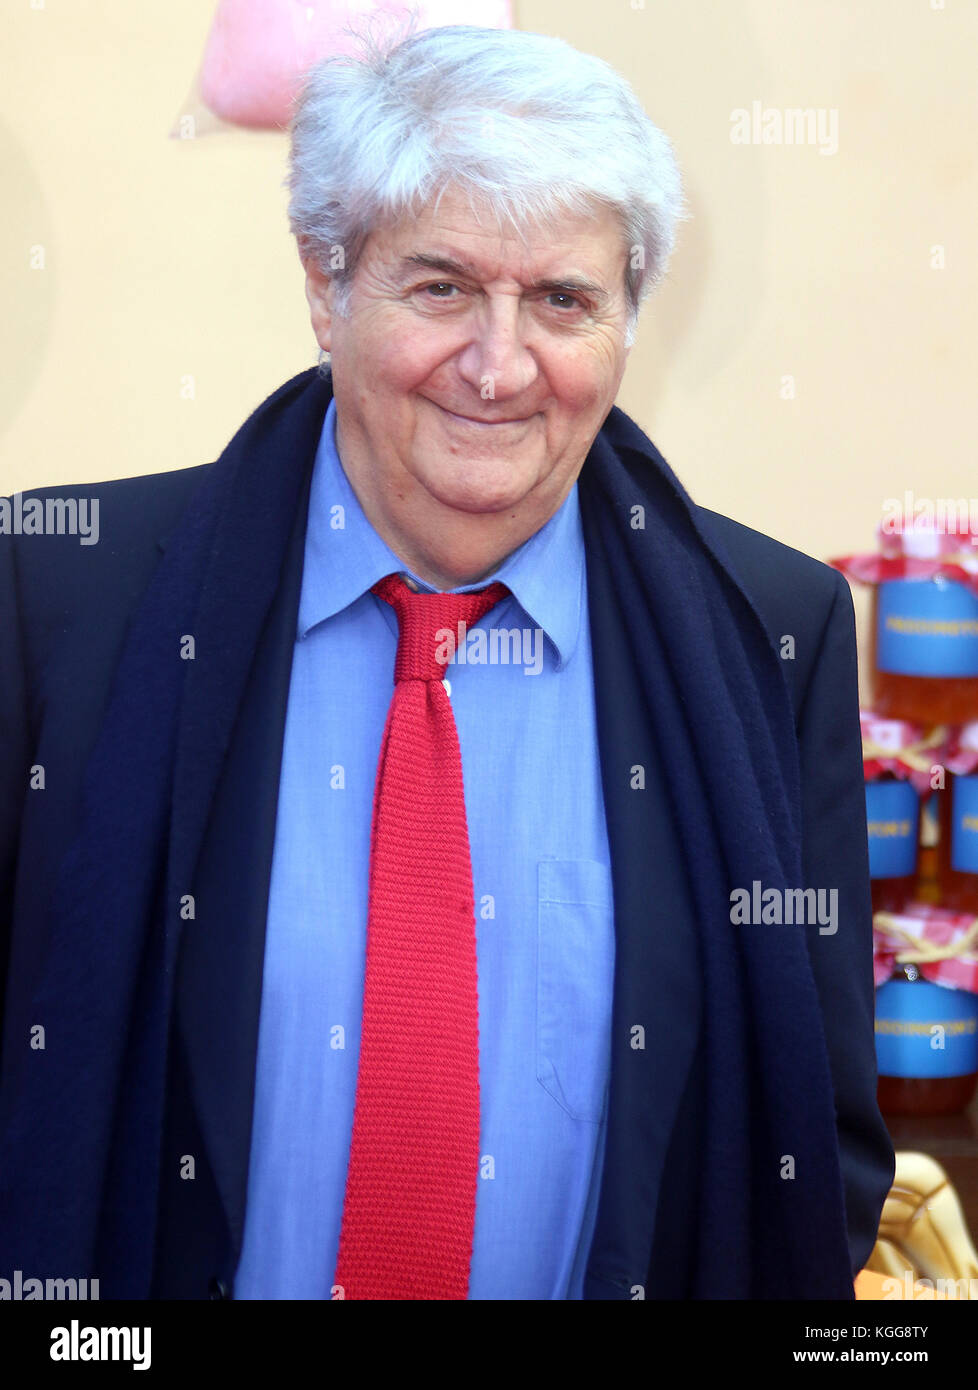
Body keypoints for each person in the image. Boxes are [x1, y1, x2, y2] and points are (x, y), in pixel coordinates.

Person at [0, 23, 893, 1301]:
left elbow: (815, 1145)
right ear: (325, 282)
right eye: (441, 286)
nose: (500, 364)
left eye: (564, 300)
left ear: (628, 315)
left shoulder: (775, 629)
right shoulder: (61, 594)